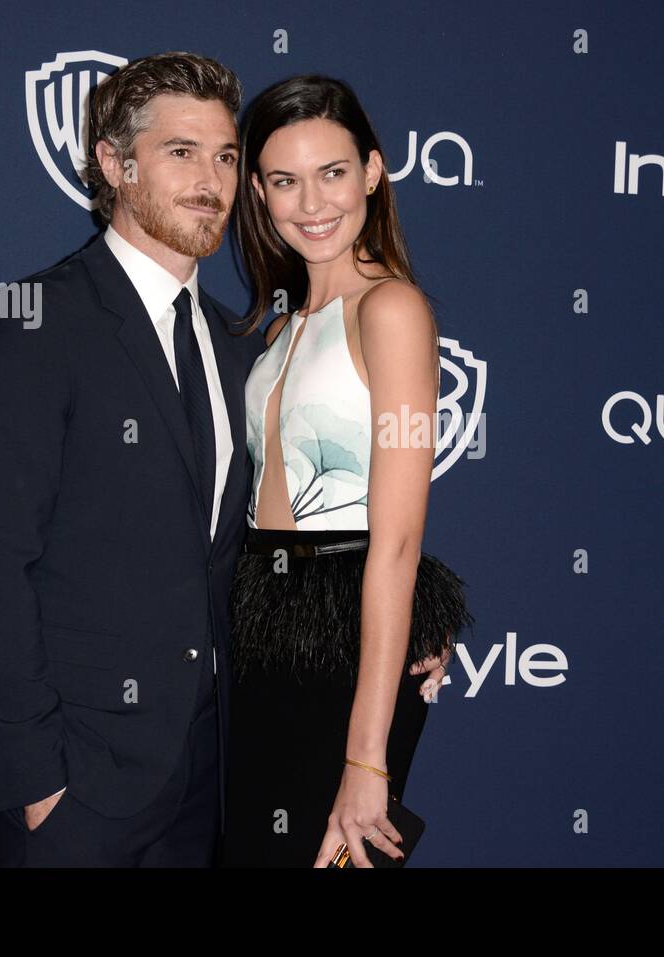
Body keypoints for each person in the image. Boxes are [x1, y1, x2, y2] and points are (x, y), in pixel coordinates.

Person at [0, 51, 260, 866]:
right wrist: (31, 781)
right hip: (75, 788)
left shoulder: (238, 346)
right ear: (117, 165)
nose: (211, 178)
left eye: (225, 155)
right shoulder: (32, 323)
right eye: (181, 152)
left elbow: (256, 554)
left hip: (207, 780)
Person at [218, 74, 474, 868]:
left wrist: (367, 762)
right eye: (285, 181)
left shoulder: (390, 311)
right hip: (260, 620)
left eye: (332, 172)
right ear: (258, 193)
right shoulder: (279, 323)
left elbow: (395, 542)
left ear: (372, 171)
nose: (312, 202)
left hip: (344, 632)